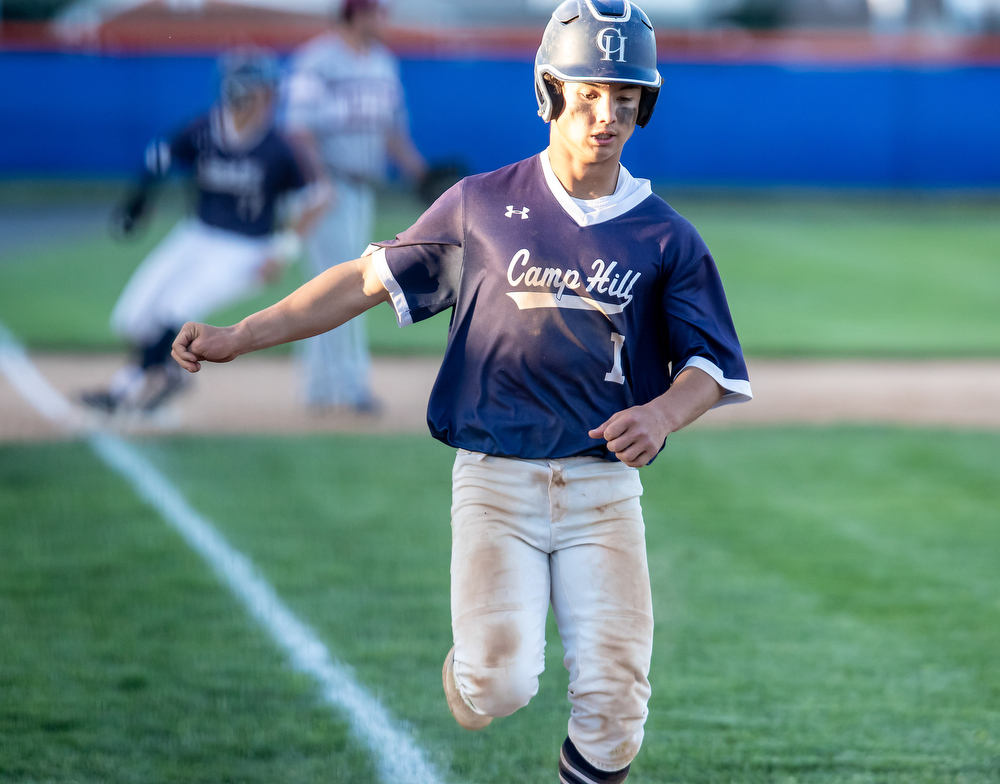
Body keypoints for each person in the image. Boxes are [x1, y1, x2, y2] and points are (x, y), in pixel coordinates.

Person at [172, 1, 753, 780]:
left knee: (617, 709)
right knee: (499, 684)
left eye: (623, 97)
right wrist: (242, 334)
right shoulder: (482, 205)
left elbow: (711, 364)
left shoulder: (664, 235)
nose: (605, 115)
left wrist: (663, 412)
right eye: (587, 93)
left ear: (643, 105)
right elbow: (362, 282)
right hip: (496, 483)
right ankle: (469, 671)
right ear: (549, 92)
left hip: (604, 492)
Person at [79, 49, 328, 416]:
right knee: (132, 318)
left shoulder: (277, 147)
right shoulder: (205, 130)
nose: (269, 99)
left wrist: (283, 250)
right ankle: (168, 375)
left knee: (175, 310)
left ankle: (124, 390)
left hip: (246, 248)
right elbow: (158, 158)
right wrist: (138, 204)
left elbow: (318, 199)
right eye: (263, 90)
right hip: (197, 234)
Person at [281, 0, 430, 413]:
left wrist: (420, 173)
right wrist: (320, 184)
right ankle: (347, 386)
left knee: (332, 286)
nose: (383, 18)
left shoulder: (383, 63)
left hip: (362, 189)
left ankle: (318, 386)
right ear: (356, 14)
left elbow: (392, 132)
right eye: (376, 12)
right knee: (344, 287)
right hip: (326, 188)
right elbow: (297, 129)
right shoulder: (317, 61)